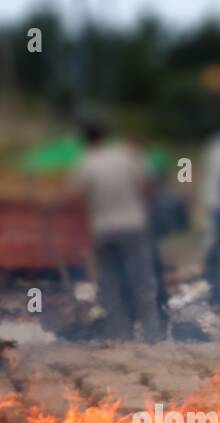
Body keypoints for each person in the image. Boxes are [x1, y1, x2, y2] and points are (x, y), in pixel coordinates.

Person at [70, 118, 163, 341]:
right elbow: (148, 184)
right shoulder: (126, 157)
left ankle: (120, 337)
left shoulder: (86, 162)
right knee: (142, 283)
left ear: (85, 140)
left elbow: (76, 196)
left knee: (111, 286)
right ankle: (152, 337)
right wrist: (144, 208)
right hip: (133, 227)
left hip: (103, 230)